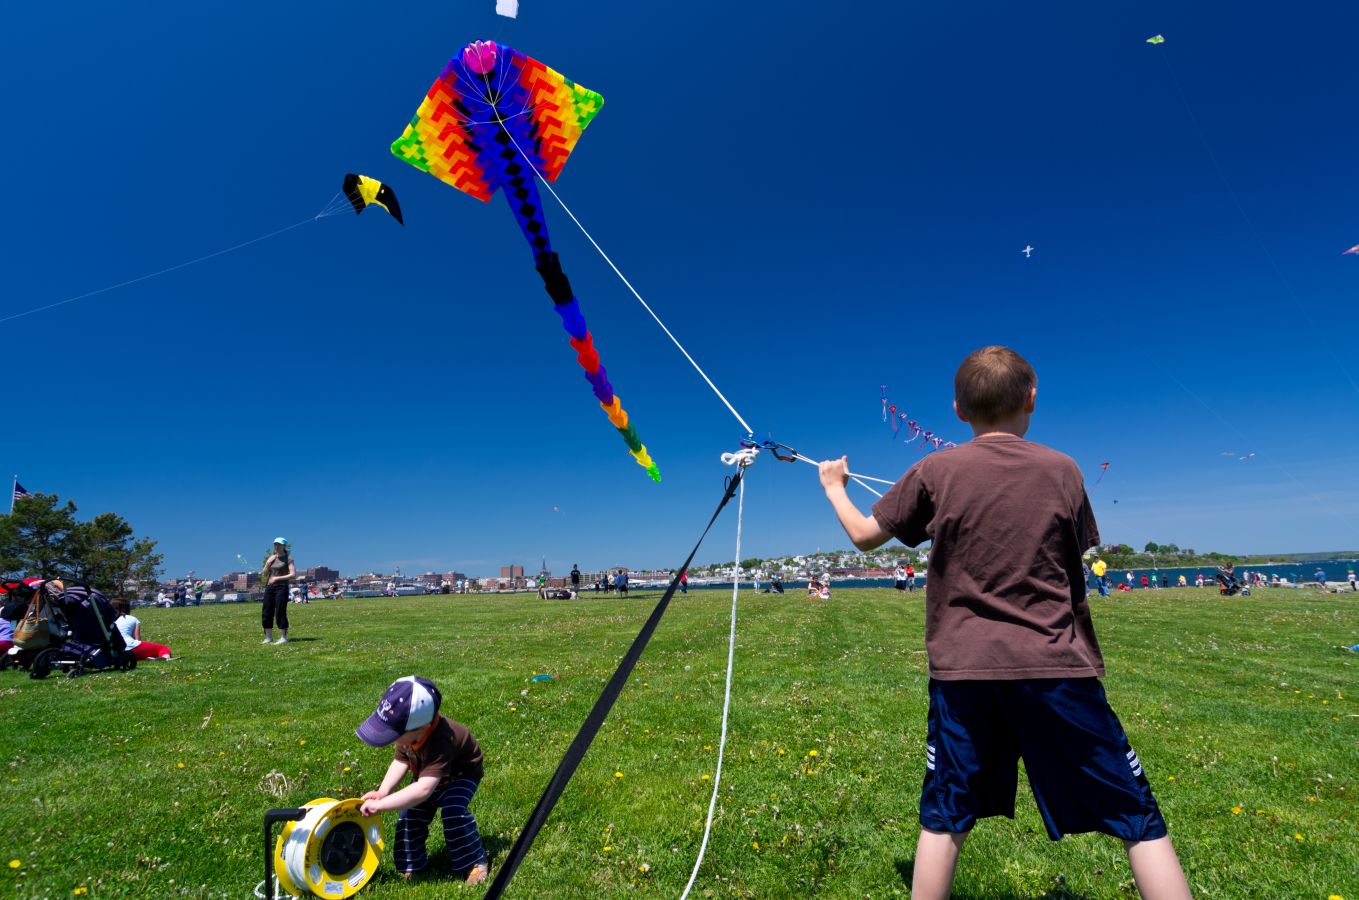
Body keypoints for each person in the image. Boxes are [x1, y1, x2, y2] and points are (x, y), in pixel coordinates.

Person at [816, 346, 1190, 900]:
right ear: (1031, 400)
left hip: (964, 670)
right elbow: (1073, 558)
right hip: (1057, 664)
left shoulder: (935, 469)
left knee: (946, 810)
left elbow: (865, 535)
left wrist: (833, 487)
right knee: (1133, 809)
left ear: (959, 410)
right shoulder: (1064, 470)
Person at [357, 676, 489, 885]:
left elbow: (423, 790)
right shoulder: (408, 732)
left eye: (395, 734)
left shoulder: (441, 739)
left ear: (423, 727)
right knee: (409, 813)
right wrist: (383, 792)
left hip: (460, 776)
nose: (392, 739)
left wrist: (381, 805)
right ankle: (413, 865)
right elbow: (401, 761)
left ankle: (474, 861)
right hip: (429, 775)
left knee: (453, 810)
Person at [260, 538, 298, 645]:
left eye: (279, 544)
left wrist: (277, 578)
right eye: (275, 544)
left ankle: (283, 637)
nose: (276, 546)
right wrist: (268, 563)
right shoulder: (272, 558)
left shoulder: (288, 558)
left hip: (282, 587)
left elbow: (292, 574)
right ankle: (268, 637)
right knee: (266, 611)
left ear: (284, 546)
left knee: (280, 611)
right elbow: (264, 573)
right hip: (270, 587)